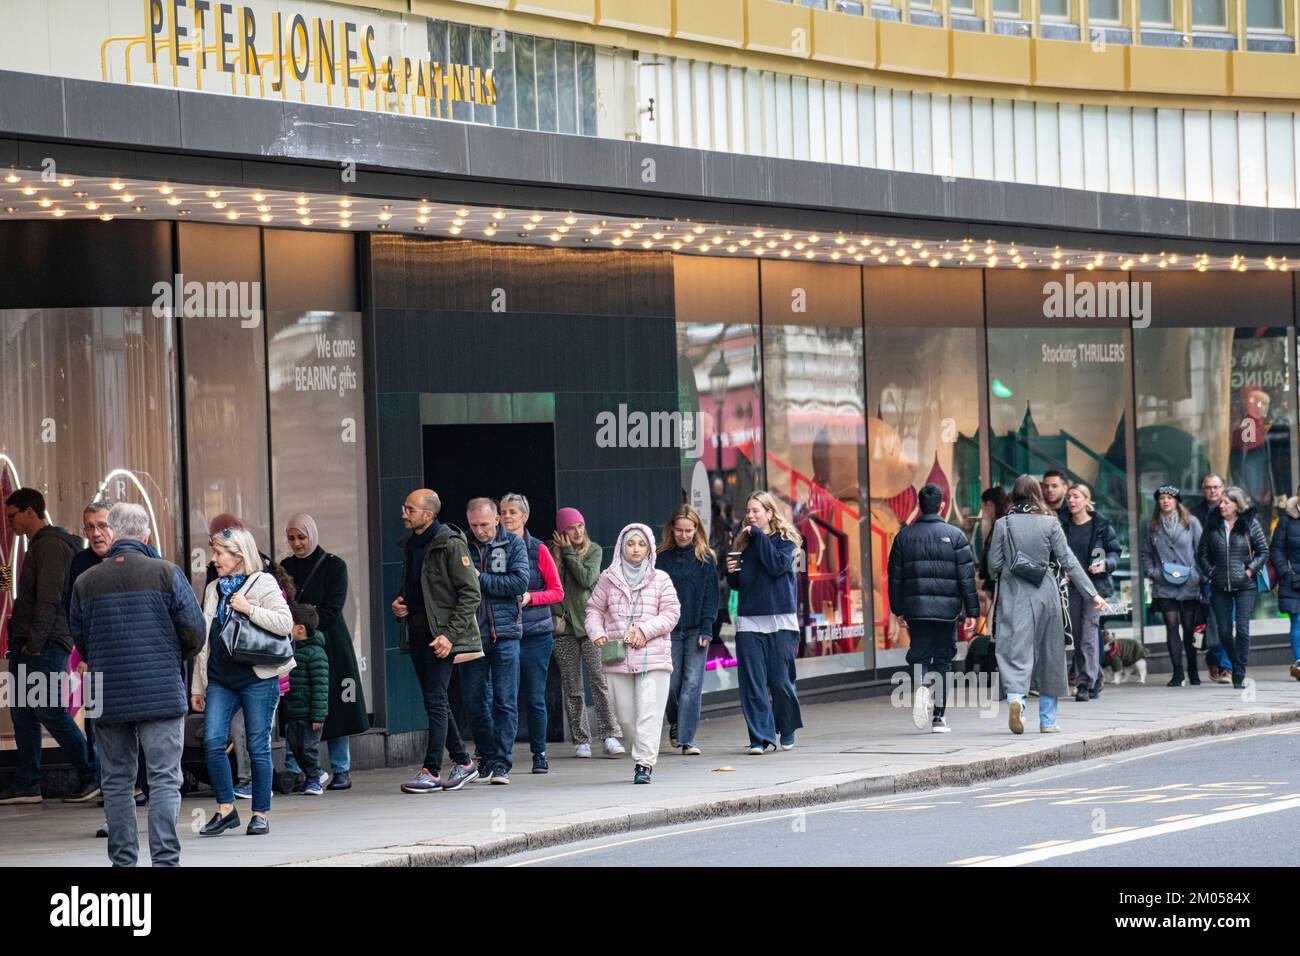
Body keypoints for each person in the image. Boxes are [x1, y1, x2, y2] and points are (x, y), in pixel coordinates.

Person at [68, 503, 205, 866]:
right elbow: (194, 632)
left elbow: (80, 638)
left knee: (116, 782)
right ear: (146, 536)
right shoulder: (167, 574)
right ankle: (165, 860)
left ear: (112, 532)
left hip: (107, 696)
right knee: (163, 780)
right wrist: (171, 657)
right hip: (160, 692)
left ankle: (124, 862)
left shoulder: (86, 582)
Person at [191, 526, 295, 836]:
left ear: (239, 556)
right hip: (221, 679)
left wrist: (249, 608)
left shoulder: (262, 582)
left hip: (256, 677)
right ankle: (226, 809)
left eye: (219, 553)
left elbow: (285, 623)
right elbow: (204, 642)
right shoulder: (213, 589)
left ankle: (260, 812)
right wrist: (198, 686)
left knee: (257, 746)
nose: (214, 559)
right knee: (212, 741)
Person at [987, 476, 1107, 735]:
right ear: (1036, 493)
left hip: (1013, 596)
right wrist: (1092, 594)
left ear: (1013, 495)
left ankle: (1016, 699)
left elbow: (993, 565)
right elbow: (1069, 561)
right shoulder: (1050, 523)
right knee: (1050, 655)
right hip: (1046, 595)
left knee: (1012, 651)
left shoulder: (1002, 524)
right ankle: (1048, 721)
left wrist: (1010, 564)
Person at [0, 488, 98, 805]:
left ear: (31, 512)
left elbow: (49, 599)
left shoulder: (52, 546)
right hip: (31, 642)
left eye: (13, 515)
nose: (10, 522)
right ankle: (28, 783)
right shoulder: (39, 546)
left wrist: (34, 643)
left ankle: (91, 774)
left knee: (48, 709)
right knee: (24, 714)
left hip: (42, 642)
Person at [392, 489, 482, 793]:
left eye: (410, 509)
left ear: (428, 515)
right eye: (405, 508)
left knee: (434, 699)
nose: (404, 513)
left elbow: (471, 593)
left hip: (441, 636)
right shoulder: (410, 544)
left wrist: (450, 636)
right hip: (417, 632)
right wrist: (401, 605)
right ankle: (463, 762)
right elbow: (421, 590)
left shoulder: (451, 545)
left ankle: (431, 770)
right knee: (435, 700)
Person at [586, 523, 681, 783]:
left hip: (654, 656)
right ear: (621, 547)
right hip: (617, 656)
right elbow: (594, 609)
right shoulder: (608, 577)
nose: (636, 549)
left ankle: (644, 764)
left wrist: (645, 631)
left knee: (649, 710)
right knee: (625, 716)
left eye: (641, 544)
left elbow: (672, 613)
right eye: (631, 544)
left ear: (649, 548)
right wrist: (597, 633)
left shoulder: (661, 579)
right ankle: (638, 752)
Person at [280, 513, 369, 791]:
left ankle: (341, 769)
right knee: (297, 707)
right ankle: (298, 770)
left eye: (302, 537)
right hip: (296, 644)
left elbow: (334, 607)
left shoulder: (334, 566)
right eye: (292, 538)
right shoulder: (284, 567)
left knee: (336, 706)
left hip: (331, 644)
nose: (297, 543)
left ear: (312, 536)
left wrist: (304, 623)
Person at [886, 483, 979, 734]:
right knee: (944, 661)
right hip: (947, 612)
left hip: (916, 608)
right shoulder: (957, 536)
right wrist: (973, 612)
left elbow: (895, 577)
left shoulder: (904, 537)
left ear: (918, 506)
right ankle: (939, 718)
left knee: (919, 655)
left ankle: (919, 691)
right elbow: (966, 579)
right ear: (942, 506)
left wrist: (898, 609)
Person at [725, 490, 804, 754]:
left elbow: (776, 566)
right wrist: (731, 571)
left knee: (781, 681)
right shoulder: (743, 543)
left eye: (755, 511)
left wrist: (758, 536)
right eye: (748, 511)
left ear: (769, 513)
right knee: (753, 683)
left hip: (781, 621)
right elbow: (740, 584)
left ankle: (787, 726)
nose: (750, 516)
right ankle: (760, 737)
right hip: (749, 620)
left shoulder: (786, 541)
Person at [462, 497, 529, 785]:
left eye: (485, 525)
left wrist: (481, 579)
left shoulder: (514, 544)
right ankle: (487, 757)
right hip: (472, 636)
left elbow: (519, 583)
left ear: (497, 520)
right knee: (474, 701)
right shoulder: (461, 545)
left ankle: (502, 763)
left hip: (505, 635)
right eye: (474, 525)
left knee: (505, 701)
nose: (480, 531)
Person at [550, 507, 624, 759]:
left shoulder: (593, 551)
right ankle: (581, 739)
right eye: (571, 527)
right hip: (564, 628)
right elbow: (554, 586)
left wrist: (569, 552)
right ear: (561, 531)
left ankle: (609, 735)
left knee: (599, 681)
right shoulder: (552, 554)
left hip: (592, 626)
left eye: (580, 526)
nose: (578, 531)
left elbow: (585, 578)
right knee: (572, 686)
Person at [500, 492, 564, 775]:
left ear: (525, 517)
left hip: (536, 633)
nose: (508, 516)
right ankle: (499, 756)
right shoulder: (493, 549)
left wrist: (530, 598)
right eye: (503, 511)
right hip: (503, 632)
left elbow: (557, 591)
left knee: (535, 696)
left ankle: (540, 753)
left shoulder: (538, 549)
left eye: (513, 511)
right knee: (504, 697)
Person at [658, 505, 719, 755]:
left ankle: (686, 739)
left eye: (689, 530)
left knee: (692, 683)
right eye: (679, 530)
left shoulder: (706, 558)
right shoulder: (660, 558)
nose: (683, 535)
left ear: (696, 530)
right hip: (668, 630)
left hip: (696, 630)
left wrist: (707, 628)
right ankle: (676, 722)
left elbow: (711, 596)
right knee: (670, 684)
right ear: (672, 529)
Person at [1196, 486, 1269, 690]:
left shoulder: (1250, 524)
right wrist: (1211, 572)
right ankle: (1237, 662)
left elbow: (1263, 551)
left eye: (1226, 502)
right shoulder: (1212, 525)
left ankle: (1239, 672)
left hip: (1245, 586)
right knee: (1225, 632)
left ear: (1237, 505)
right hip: (1220, 586)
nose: (1222, 506)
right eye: (1221, 502)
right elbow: (1200, 554)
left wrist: (1249, 571)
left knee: (1243, 630)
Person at [1061, 484, 1121, 702]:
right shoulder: (1062, 523)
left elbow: (1116, 551)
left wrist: (1105, 564)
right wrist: (1061, 570)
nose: (1072, 501)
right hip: (1072, 586)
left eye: (1076, 497)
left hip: (1095, 586)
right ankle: (1095, 677)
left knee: (1088, 632)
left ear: (1087, 500)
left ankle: (1084, 682)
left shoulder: (1101, 524)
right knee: (1077, 635)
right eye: (1069, 497)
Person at [1142, 485, 1204, 687]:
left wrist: (1197, 575)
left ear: (1177, 500)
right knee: (1171, 626)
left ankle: (1193, 670)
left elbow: (1202, 551)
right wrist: (1153, 573)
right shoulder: (1152, 526)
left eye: (1169, 497)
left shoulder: (1191, 522)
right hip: (1164, 583)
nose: (1165, 501)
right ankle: (1177, 672)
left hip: (1188, 582)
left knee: (1188, 628)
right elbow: (1146, 554)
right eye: (1161, 498)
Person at [283, 603, 329, 797]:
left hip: (310, 714)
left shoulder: (316, 654)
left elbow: (321, 687)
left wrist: (318, 715)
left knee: (308, 748)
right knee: (295, 746)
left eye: (289, 623)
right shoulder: (290, 649)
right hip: (294, 711)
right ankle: (314, 775)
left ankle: (314, 779)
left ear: (300, 628)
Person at [1271, 488, 1300, 682]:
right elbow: (1276, 549)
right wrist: (1285, 572)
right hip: (1293, 580)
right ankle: (1299, 663)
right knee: (1297, 621)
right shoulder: (1286, 520)